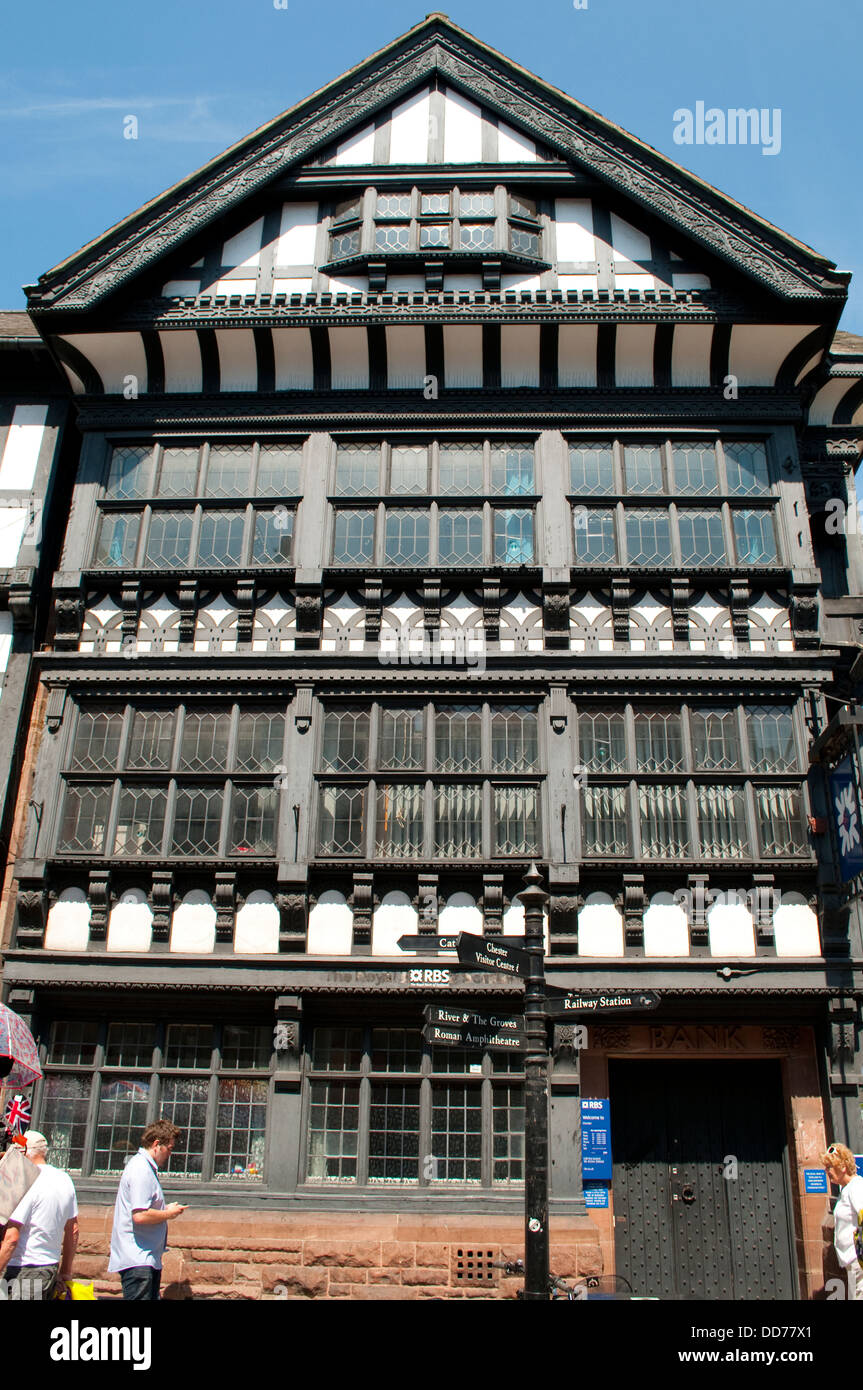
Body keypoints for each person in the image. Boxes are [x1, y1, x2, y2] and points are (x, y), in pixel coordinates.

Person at [107, 1119, 186, 1300]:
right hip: (138, 1260)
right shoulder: (141, 1169)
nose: (170, 1153)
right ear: (157, 1144)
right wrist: (168, 1214)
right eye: (170, 1148)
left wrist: (165, 1208)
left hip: (145, 1259)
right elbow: (140, 1215)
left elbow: (143, 1208)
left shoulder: (145, 1168)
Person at [0, 1129, 78, 1300]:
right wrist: (65, 1272)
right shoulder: (64, 1179)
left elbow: (11, 1238)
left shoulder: (25, 1180)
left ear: (24, 1151)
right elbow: (73, 1230)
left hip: (24, 1269)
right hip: (49, 1267)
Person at [823, 1141, 863, 1299]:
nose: (827, 1171)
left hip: (858, 1261)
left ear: (843, 1167)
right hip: (853, 1263)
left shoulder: (856, 1187)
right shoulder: (847, 1190)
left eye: (830, 1167)